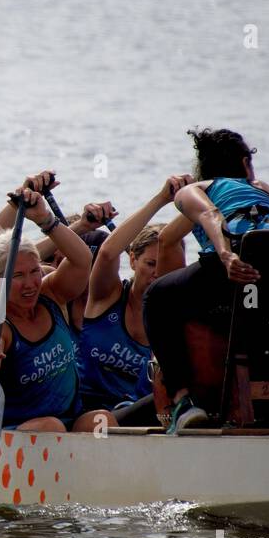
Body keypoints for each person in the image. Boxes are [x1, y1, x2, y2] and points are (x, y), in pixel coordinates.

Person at [143, 128, 269, 432]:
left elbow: (211, 215)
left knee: (156, 297)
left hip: (237, 269)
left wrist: (225, 254)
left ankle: (184, 402)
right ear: (244, 163)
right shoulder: (267, 191)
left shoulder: (194, 190)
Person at [0, 188, 117, 434]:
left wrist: (44, 219)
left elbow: (82, 259)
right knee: (51, 426)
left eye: (34, 271)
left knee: (101, 420)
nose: (30, 284)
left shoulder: (52, 296)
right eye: (18, 276)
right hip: (16, 431)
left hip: (69, 419)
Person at [78, 176, 191, 413]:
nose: (157, 273)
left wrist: (202, 199)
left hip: (143, 414)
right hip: (88, 413)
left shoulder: (180, 318)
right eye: (150, 263)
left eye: (167, 267)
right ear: (132, 259)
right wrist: (161, 199)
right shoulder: (107, 296)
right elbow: (108, 252)